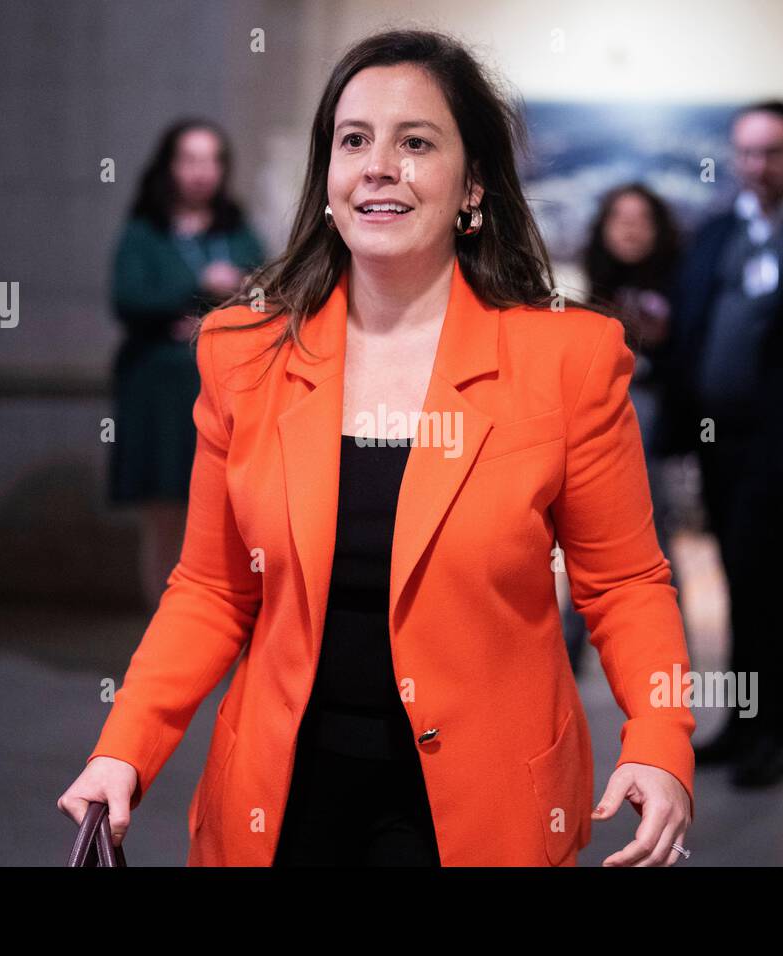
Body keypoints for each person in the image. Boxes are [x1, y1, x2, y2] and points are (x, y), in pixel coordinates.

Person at [59, 29, 696, 867]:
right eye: (354, 140)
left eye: (416, 142)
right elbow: (212, 587)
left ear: (473, 184)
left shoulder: (567, 359)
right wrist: (125, 745)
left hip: (484, 806)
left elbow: (625, 584)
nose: (378, 165)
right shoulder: (244, 353)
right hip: (282, 800)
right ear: (327, 176)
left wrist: (660, 740)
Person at [660, 100, 783, 788]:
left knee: (764, 592)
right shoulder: (721, 230)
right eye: (746, 153)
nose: (758, 166)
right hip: (718, 444)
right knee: (734, 585)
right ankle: (744, 722)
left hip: (780, 449)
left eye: (772, 151)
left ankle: (778, 732)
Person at [107, 119, 266, 610]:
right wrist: (201, 287)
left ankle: (218, 627)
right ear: (170, 166)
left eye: (212, 159)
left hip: (224, 391)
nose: (203, 171)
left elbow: (267, 293)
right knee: (165, 516)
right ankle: (163, 627)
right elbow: (129, 299)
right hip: (157, 394)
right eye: (191, 159)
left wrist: (206, 316)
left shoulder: (236, 230)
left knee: (225, 514)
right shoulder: (145, 233)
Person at [559, 184, 684, 675]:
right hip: (584, 420)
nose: (630, 229)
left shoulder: (682, 285)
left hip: (655, 425)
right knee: (577, 541)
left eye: (641, 219)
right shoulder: (577, 284)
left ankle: (662, 663)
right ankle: (567, 654)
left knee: (654, 545)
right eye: (620, 218)